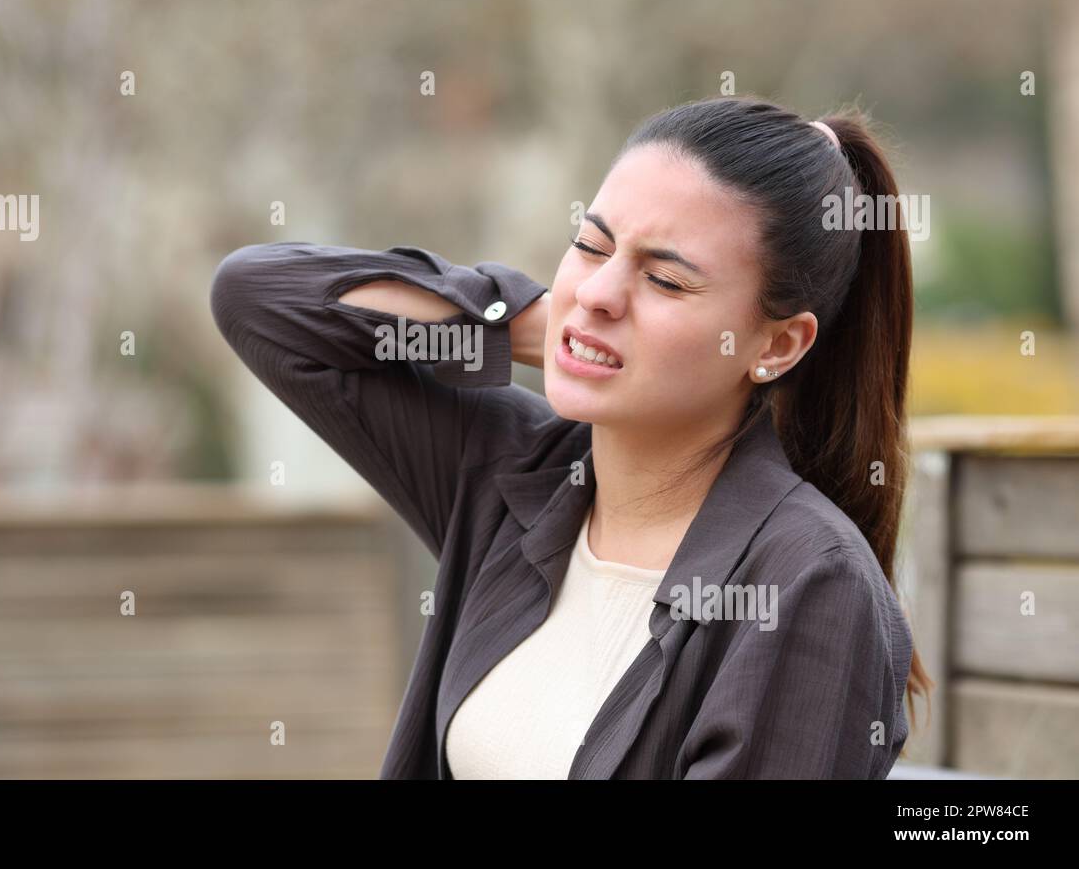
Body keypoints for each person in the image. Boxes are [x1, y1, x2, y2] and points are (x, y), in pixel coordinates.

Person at [210, 95, 931, 779]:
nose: (597, 292)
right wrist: (536, 324)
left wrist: (591, 332)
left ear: (776, 345)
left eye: (667, 282)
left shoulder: (811, 583)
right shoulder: (512, 478)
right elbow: (263, 299)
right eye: (591, 244)